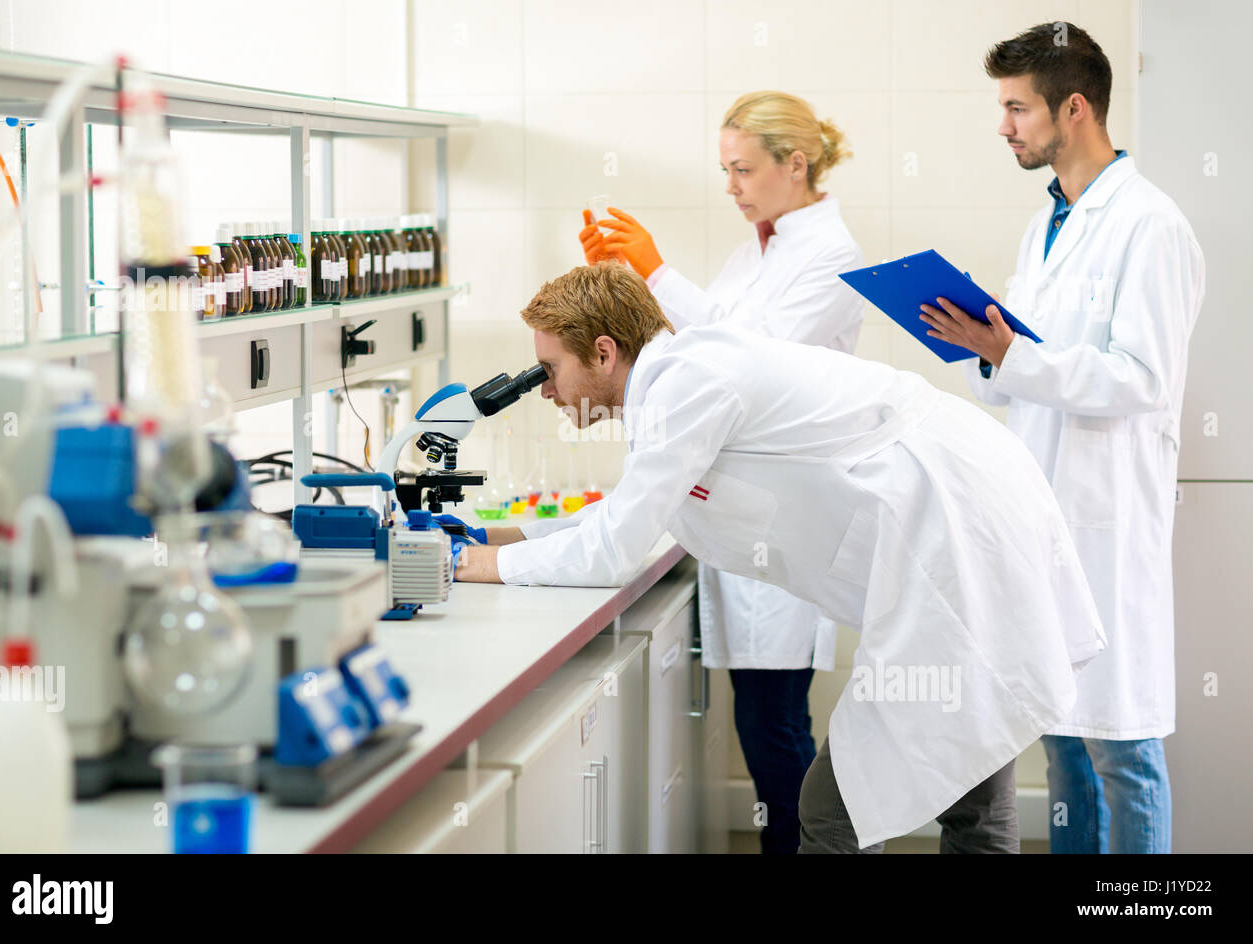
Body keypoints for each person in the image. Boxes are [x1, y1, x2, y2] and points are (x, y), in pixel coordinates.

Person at [453, 262, 1108, 852]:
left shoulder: (687, 384)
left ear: (602, 352)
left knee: (838, 807)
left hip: (953, 530)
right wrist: (498, 540)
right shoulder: (678, 383)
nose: (544, 390)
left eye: (549, 370)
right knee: (969, 770)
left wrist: (483, 568)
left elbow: (618, 545)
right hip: (962, 516)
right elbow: (626, 510)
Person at [918, 22, 1204, 854]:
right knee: (1064, 744)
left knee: (1124, 748)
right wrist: (988, 352)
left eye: (1017, 108)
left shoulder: (1149, 225)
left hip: (1107, 520)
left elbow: (1143, 380)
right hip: (1042, 517)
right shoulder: (1046, 226)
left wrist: (1015, 354)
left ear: (1073, 108)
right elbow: (1028, 373)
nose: (1004, 125)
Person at [577, 91, 865, 855]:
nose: (731, 186)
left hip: (788, 519)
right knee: (764, 723)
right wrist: (631, 282)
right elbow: (706, 347)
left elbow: (752, 362)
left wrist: (658, 269)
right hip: (748, 515)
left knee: (775, 726)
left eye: (743, 169)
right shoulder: (760, 249)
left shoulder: (830, 254)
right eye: (725, 169)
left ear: (794, 164)